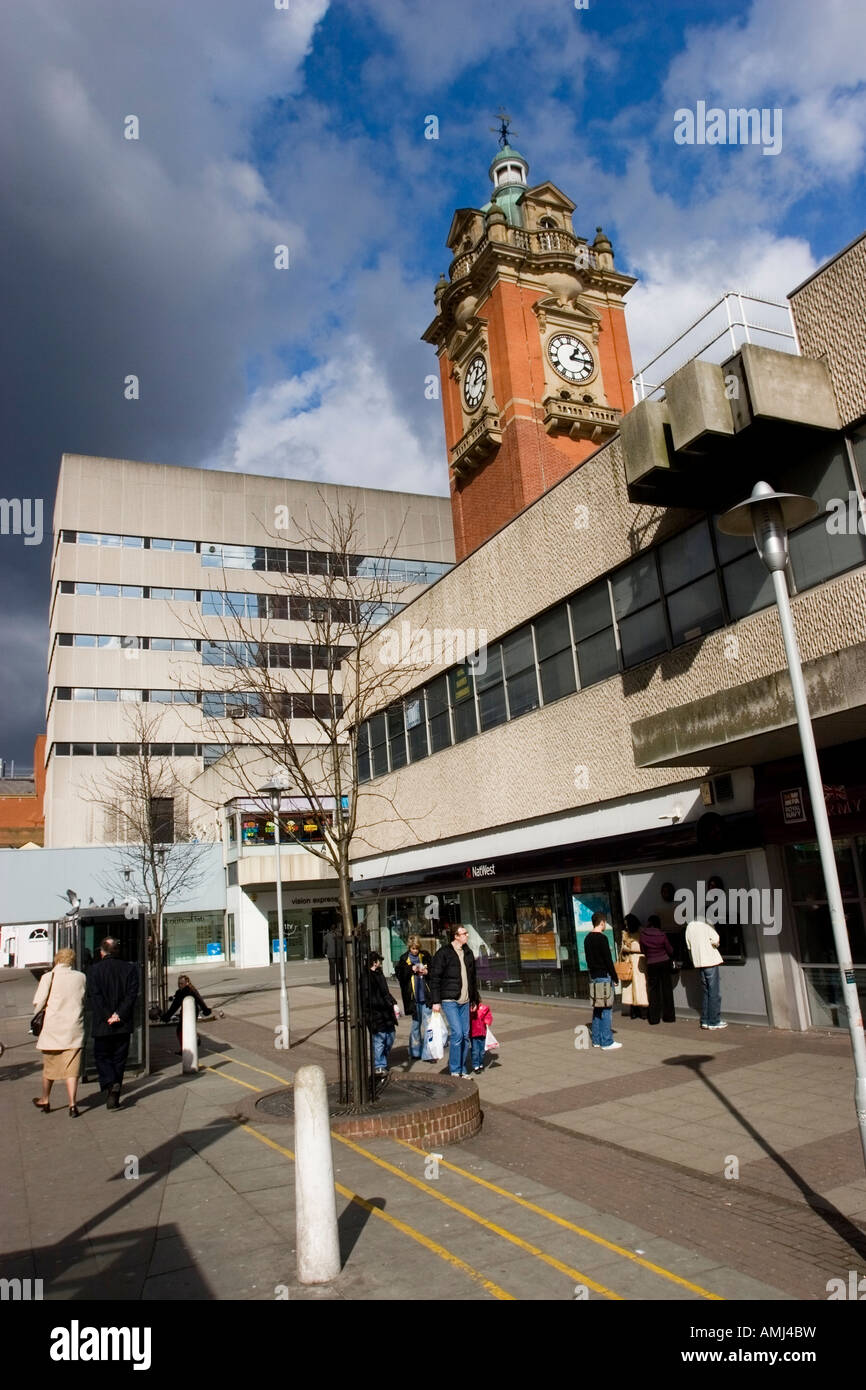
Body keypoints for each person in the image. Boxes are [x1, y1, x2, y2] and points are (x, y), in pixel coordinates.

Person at [31, 948, 86, 1116]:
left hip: (53, 1029)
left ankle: (45, 1099)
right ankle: (72, 1105)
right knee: (72, 1070)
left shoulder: (48, 977)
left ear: (57, 960)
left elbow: (38, 1002)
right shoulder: (81, 977)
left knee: (50, 1066)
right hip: (74, 1028)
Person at [87, 936, 140, 1109]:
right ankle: (114, 1094)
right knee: (119, 1058)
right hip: (122, 1023)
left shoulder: (94, 970)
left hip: (103, 1024)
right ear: (117, 950)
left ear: (102, 952)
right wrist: (119, 1014)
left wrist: (108, 1015)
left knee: (102, 1056)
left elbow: (95, 996)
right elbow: (131, 995)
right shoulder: (130, 969)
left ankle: (110, 1083)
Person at [429, 925, 478, 1078]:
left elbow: (472, 978)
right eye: (464, 933)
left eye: (466, 933)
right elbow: (435, 978)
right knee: (457, 1033)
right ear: (456, 936)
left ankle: (462, 1069)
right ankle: (455, 1070)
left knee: (465, 1034)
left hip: (465, 1000)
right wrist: (435, 1001)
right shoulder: (444, 953)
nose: (467, 936)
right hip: (450, 999)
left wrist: (474, 999)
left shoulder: (468, 952)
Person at [585, 911, 622, 1050]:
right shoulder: (602, 938)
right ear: (602, 922)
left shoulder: (587, 938)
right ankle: (607, 1041)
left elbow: (588, 959)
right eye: (605, 922)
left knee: (597, 1008)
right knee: (606, 1008)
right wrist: (615, 977)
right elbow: (608, 960)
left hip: (593, 976)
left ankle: (596, 1039)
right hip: (604, 976)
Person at [395, 935, 433, 1062]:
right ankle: (415, 1051)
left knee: (429, 1025)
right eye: (413, 948)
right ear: (409, 948)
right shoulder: (404, 959)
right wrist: (411, 969)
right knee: (416, 1025)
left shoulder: (425, 956)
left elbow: (434, 971)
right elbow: (400, 976)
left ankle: (429, 1052)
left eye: (417, 948)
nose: (415, 951)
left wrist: (427, 972)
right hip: (413, 998)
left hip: (426, 996)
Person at [685, 916, 727, 1029]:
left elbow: (689, 946)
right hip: (710, 961)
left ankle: (705, 1020)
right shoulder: (707, 922)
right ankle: (714, 1021)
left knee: (706, 992)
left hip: (699, 963)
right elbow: (716, 939)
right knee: (714, 993)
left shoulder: (689, 926)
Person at [366, 951, 400, 1075]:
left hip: (386, 1011)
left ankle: (381, 1059)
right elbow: (367, 997)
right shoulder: (366, 976)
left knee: (390, 1036)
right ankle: (379, 1065)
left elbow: (386, 992)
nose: (381, 963)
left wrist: (393, 1003)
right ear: (375, 962)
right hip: (375, 1012)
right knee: (379, 1039)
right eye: (379, 961)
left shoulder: (379, 974)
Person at [162, 975, 216, 1049]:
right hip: (187, 1013)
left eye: (181, 983)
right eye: (179, 983)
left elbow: (199, 1000)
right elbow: (175, 1002)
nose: (179, 985)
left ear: (187, 982)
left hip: (191, 1013)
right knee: (186, 1029)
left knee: (180, 1030)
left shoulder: (189, 991)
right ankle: (194, 1039)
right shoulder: (183, 991)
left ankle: (185, 1049)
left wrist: (166, 1016)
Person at [640, 914, 676, 1025]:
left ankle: (654, 1019)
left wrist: (650, 955)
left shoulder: (643, 935)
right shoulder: (662, 935)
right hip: (664, 962)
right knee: (667, 990)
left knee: (653, 991)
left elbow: (643, 950)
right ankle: (669, 1017)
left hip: (651, 964)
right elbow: (670, 950)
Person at [619, 913, 648, 1020]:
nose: (626, 926)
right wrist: (626, 949)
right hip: (630, 962)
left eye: (627, 924)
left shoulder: (641, 932)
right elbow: (622, 948)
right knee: (631, 988)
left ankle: (642, 1010)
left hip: (639, 962)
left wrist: (630, 948)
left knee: (640, 987)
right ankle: (634, 1010)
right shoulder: (625, 933)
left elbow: (643, 946)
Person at [469, 995, 493, 1073]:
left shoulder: (484, 1008)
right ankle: (476, 1065)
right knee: (475, 1051)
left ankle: (481, 1063)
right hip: (473, 1034)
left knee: (482, 1051)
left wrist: (487, 1021)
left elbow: (488, 1016)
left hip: (482, 1033)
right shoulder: (469, 1009)